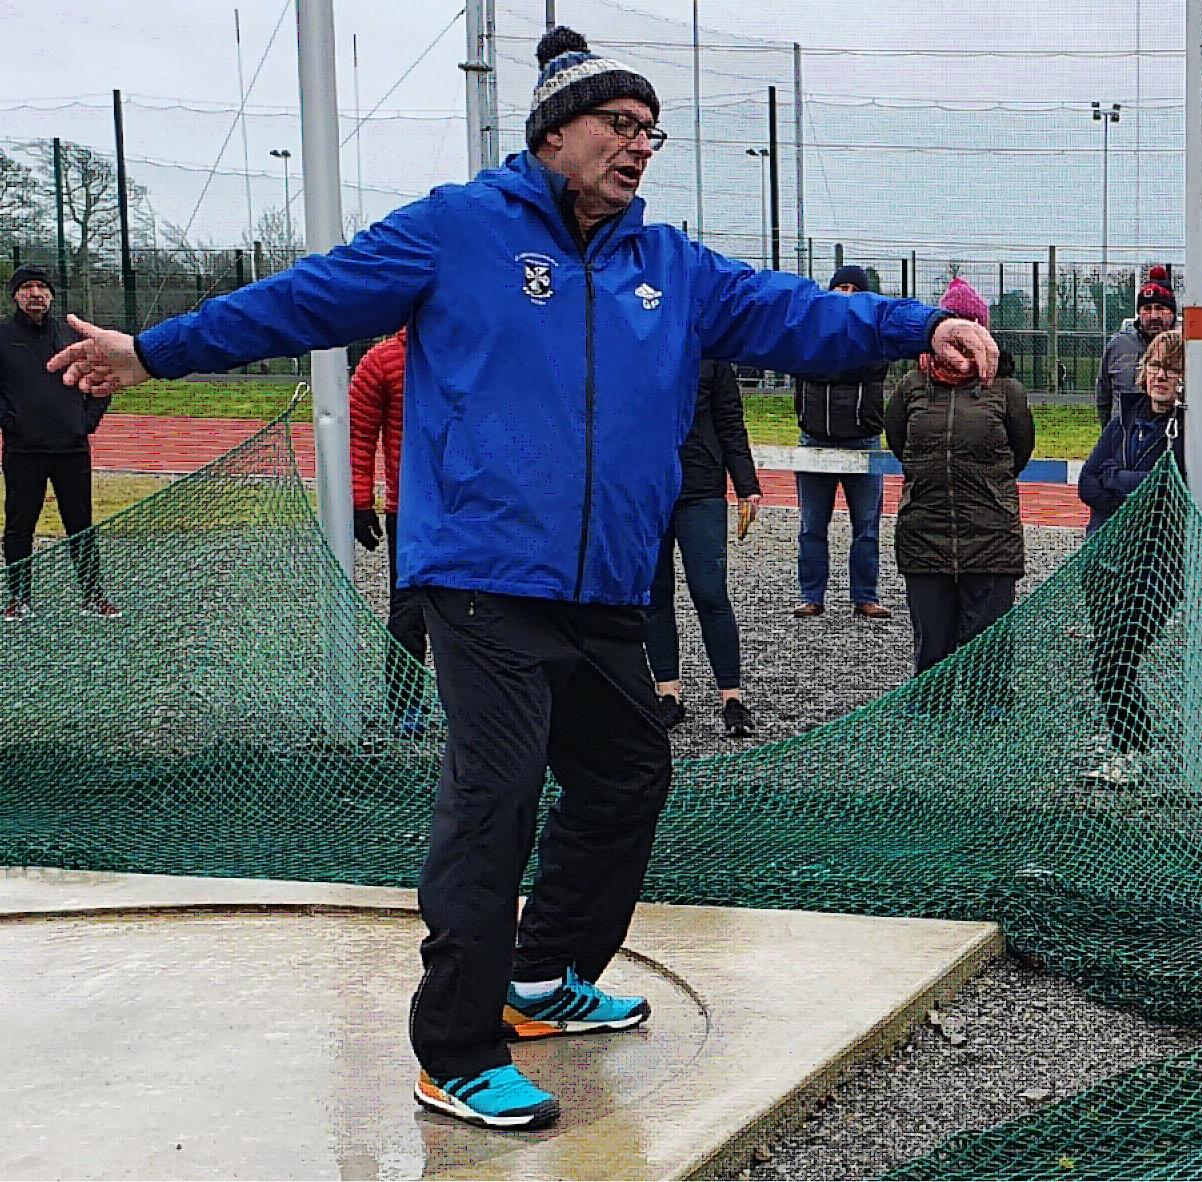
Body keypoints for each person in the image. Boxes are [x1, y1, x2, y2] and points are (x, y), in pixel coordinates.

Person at [46, 25, 999, 1132]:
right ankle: (453, 1050)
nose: (641, 147)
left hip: (604, 589)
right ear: (556, 133)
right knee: (492, 802)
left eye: (652, 132)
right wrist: (152, 351)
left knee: (627, 777)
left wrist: (923, 322)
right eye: (620, 126)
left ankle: (541, 979)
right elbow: (308, 300)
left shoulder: (671, 265)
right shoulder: (458, 230)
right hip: (485, 580)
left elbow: (802, 314)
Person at [884, 278, 1033, 702]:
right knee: (932, 655)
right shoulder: (910, 388)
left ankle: (988, 741)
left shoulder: (1006, 391)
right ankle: (931, 742)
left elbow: (1019, 453)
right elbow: (899, 444)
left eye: (973, 324)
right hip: (925, 538)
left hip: (990, 541)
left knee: (988, 657)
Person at [1077, 328, 1186, 784]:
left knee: (1113, 660)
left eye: (1174, 369)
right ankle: (1129, 740)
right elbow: (1087, 482)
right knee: (1108, 659)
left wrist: (1116, 481)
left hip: (1154, 566)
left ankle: (1138, 748)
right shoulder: (1124, 418)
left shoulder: (1189, 430)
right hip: (1105, 559)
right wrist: (1127, 483)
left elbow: (1166, 493)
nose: (1162, 376)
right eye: (1157, 366)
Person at [645, 359, 763, 738]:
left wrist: (746, 484)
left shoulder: (712, 355)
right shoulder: (636, 343)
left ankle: (731, 697)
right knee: (655, 594)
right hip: (646, 491)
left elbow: (730, 421)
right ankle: (668, 693)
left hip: (703, 488)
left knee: (711, 593)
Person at [1, 265, 117, 621]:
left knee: (80, 523)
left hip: (71, 450)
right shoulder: (2, 337)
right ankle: (19, 599)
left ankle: (93, 596)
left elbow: (104, 379)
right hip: (23, 451)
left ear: (51, 295)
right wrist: (10, 420)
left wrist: (85, 423)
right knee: (20, 526)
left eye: (41, 287)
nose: (35, 293)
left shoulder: (71, 336)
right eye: (27, 287)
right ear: (16, 295)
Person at [791, 264, 892, 619]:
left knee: (866, 527)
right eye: (840, 286)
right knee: (811, 526)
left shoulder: (876, 334)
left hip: (864, 442)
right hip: (813, 443)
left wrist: (832, 357)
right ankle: (811, 595)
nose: (846, 293)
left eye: (854, 288)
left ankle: (866, 595)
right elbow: (802, 362)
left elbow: (871, 366)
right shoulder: (807, 332)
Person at [348, 326, 431, 736]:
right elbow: (358, 434)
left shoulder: (475, 351)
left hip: (473, 510)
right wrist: (360, 501)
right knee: (409, 612)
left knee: (478, 608)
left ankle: (474, 703)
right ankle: (404, 705)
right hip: (411, 513)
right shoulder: (382, 361)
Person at [1097, 265, 1178, 426]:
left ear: (1173, 312)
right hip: (1124, 438)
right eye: (1147, 309)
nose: (1154, 315)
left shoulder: (1185, 347)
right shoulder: (1119, 346)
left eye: (1160, 309)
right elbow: (1103, 395)